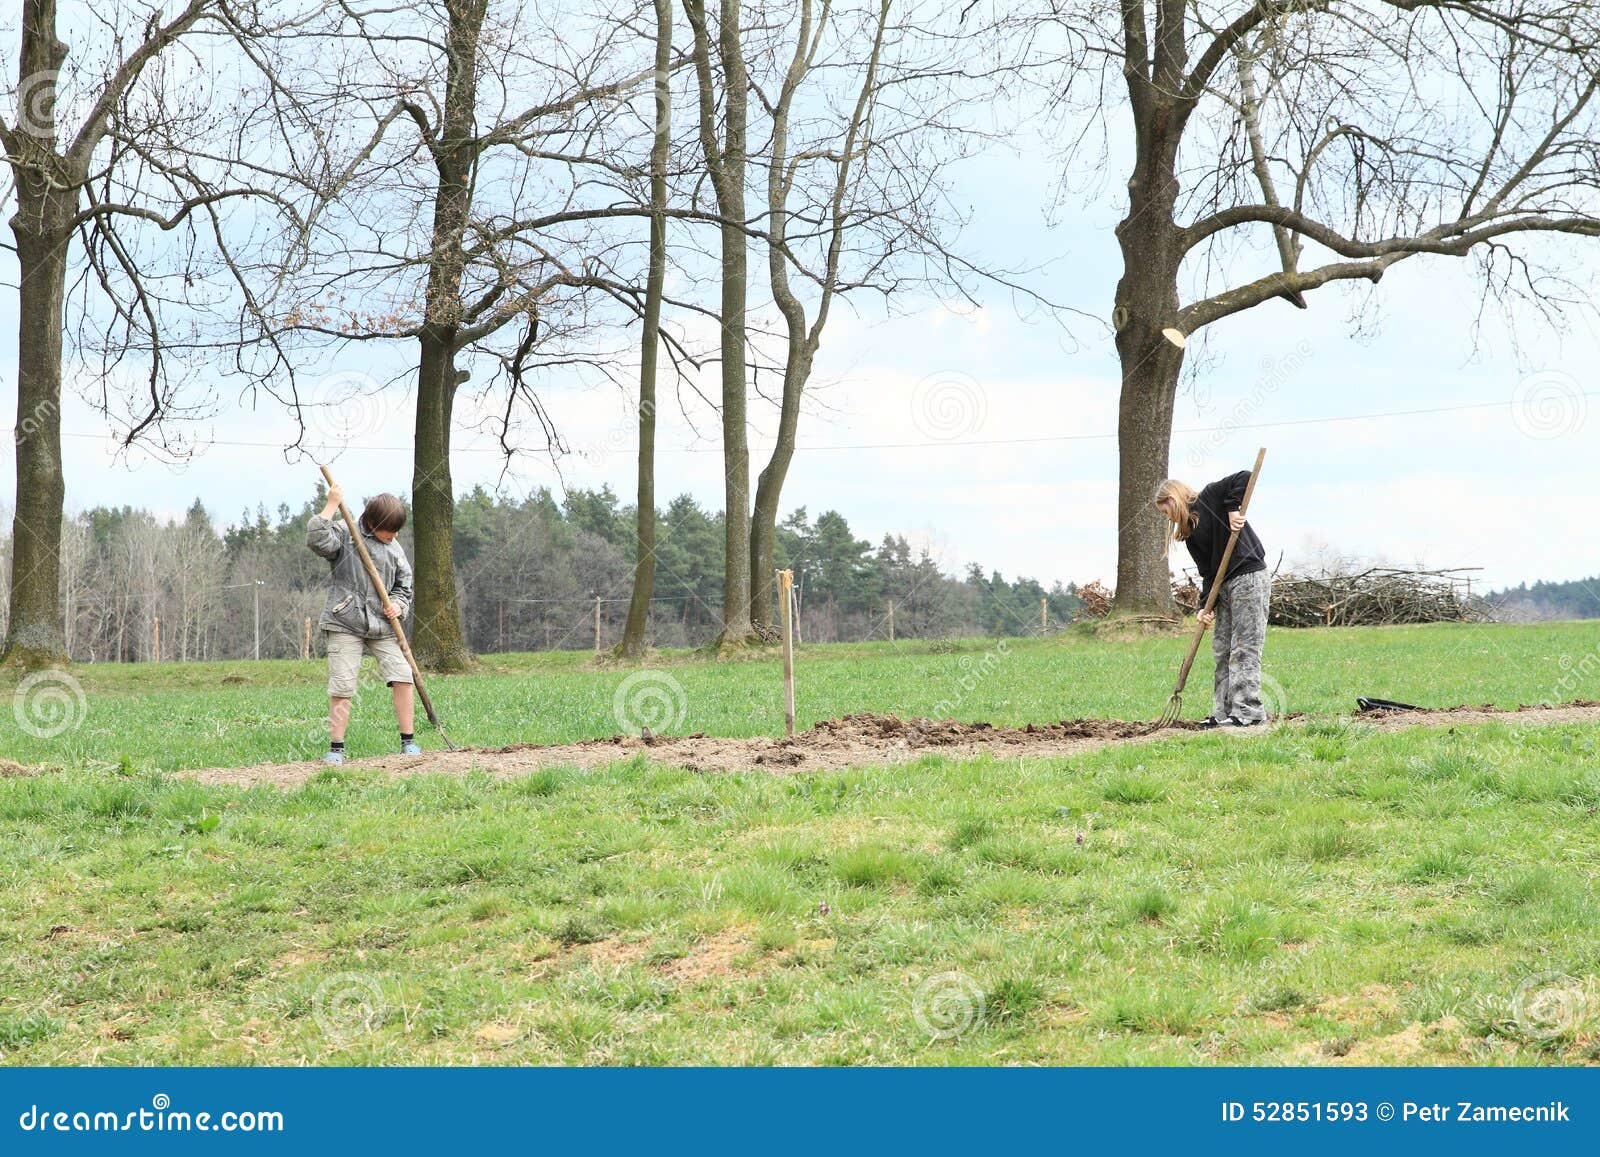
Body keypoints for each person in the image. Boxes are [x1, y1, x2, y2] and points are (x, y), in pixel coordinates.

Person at [306, 484, 419, 762]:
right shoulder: (345, 534)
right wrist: (331, 504)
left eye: (396, 532)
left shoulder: (394, 549)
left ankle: (408, 743)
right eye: (389, 531)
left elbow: (405, 587)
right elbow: (317, 540)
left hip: (382, 626)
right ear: (371, 522)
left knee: (403, 675)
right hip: (345, 621)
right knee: (343, 684)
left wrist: (398, 606)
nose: (393, 536)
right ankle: (337, 749)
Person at [1155, 470, 1270, 729]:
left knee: (1244, 647)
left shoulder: (1211, 496)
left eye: (1165, 512)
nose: (1167, 518)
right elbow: (1208, 573)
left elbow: (1244, 476)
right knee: (1222, 649)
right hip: (1224, 585)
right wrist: (1204, 607)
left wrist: (1232, 509)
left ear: (1173, 500)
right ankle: (1223, 712)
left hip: (1249, 577)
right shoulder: (1189, 534)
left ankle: (1249, 712)